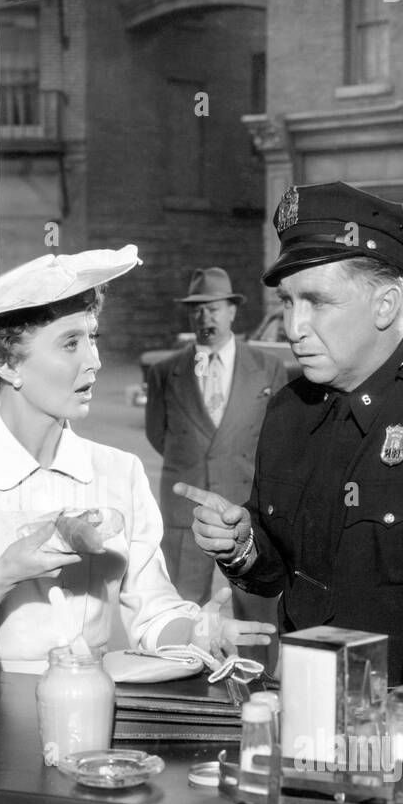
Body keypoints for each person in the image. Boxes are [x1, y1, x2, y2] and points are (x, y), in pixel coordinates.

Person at [179, 182, 403, 712]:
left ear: (385, 303)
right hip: (309, 707)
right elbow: (278, 576)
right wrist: (242, 543)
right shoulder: (291, 408)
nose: (294, 327)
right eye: (288, 302)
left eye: (317, 302)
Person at [0, 246, 274, 677]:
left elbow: (154, 611)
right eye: (71, 343)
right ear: (7, 363)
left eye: (93, 338)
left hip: (94, 717)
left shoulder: (120, 473)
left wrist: (198, 632)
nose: (95, 361)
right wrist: (2, 575)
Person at [145, 268, 286, 629]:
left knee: (257, 618)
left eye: (215, 308)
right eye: (198, 309)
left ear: (232, 312)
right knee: (180, 615)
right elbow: (158, 434)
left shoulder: (267, 369)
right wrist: (194, 461)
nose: (206, 317)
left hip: (247, 511)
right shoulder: (165, 373)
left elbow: (277, 439)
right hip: (184, 515)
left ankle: (259, 683)